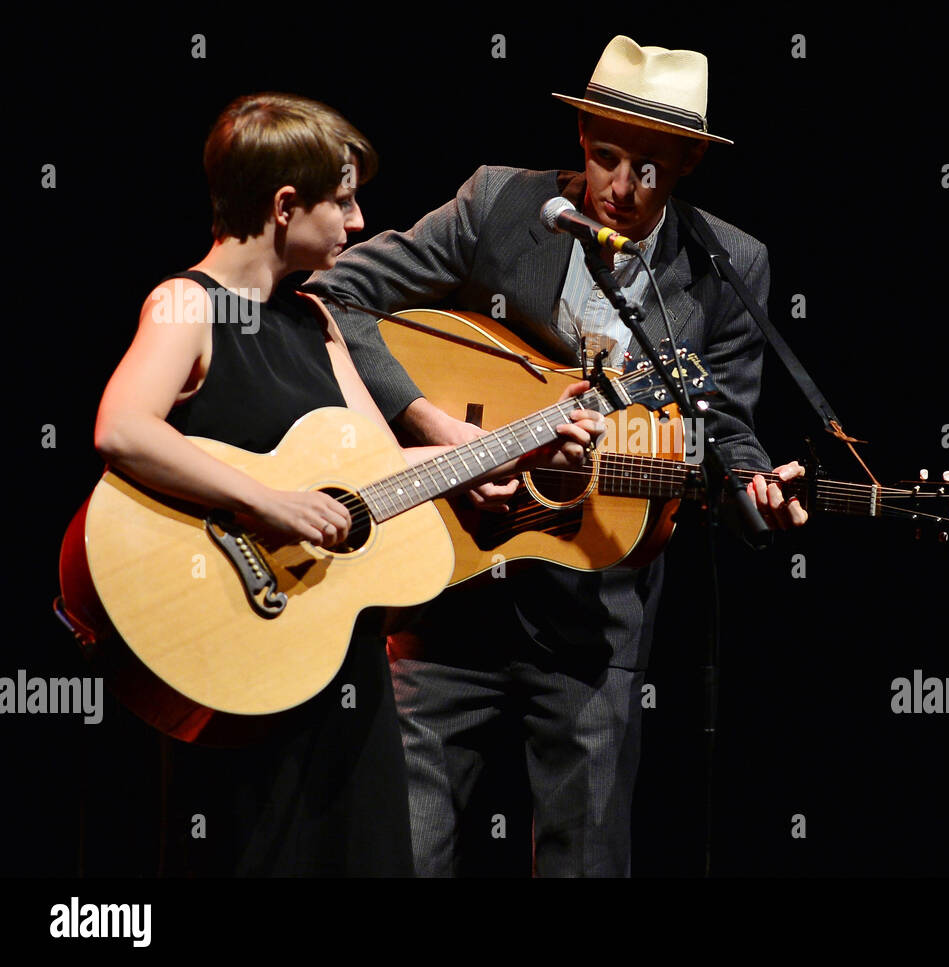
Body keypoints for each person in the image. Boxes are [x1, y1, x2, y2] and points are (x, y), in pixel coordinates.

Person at [304, 35, 807, 876]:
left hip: (596, 623)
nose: (619, 186)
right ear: (580, 142)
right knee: (405, 854)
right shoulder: (498, 205)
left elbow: (723, 428)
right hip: (449, 591)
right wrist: (438, 428)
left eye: (647, 168)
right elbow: (336, 293)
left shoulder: (730, 266)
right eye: (605, 156)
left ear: (686, 165)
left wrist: (753, 488)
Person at [91, 91, 601, 875]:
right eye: (344, 200)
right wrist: (269, 501)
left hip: (336, 663)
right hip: (236, 640)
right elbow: (123, 428)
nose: (359, 223)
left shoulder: (318, 324)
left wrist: (519, 443)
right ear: (285, 204)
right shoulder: (185, 305)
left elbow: (380, 469)